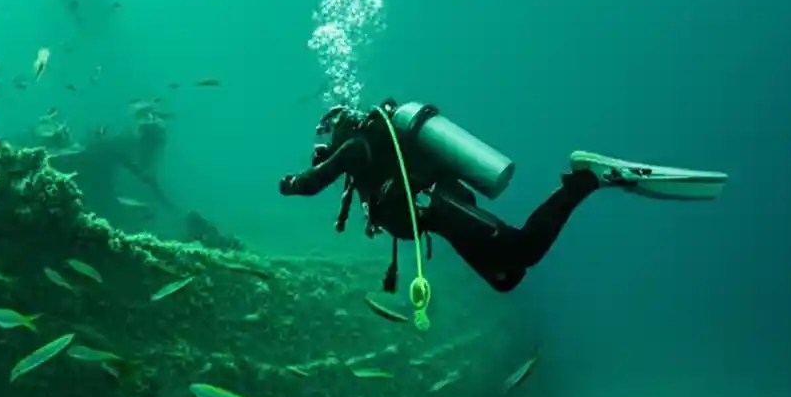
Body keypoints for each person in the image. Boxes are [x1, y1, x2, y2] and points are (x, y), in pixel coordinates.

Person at [279, 99, 727, 293]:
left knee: (523, 251)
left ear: (338, 128)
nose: (325, 147)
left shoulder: (357, 148)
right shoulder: (368, 156)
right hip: (436, 211)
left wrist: (290, 182)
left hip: (436, 204)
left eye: (326, 137)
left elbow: (314, 181)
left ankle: (584, 181)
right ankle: (582, 184)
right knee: (506, 277)